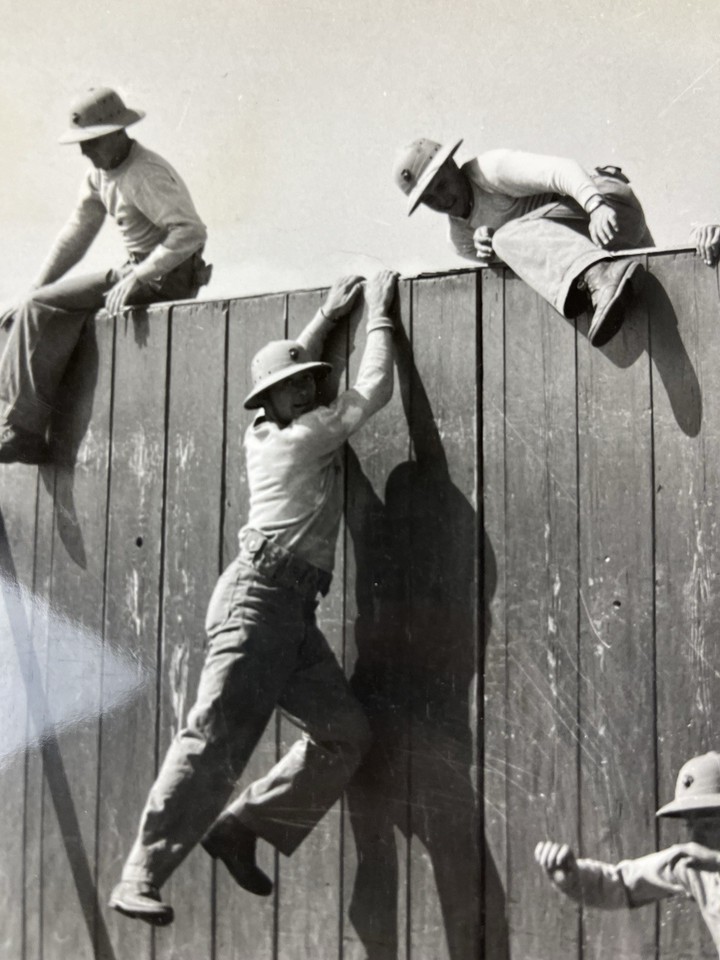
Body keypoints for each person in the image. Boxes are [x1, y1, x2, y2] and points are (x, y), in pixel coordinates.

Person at [109, 269, 399, 925]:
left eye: (308, 379)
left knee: (345, 734)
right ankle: (142, 874)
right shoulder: (301, 437)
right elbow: (374, 387)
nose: (308, 387)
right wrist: (380, 313)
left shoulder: (266, 429)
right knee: (214, 741)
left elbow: (288, 368)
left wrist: (325, 317)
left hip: (290, 612)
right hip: (258, 601)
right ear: (273, 402)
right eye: (293, 386)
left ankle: (241, 827)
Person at [0, 86, 210, 464]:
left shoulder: (145, 173)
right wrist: (35, 287)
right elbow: (78, 232)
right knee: (34, 305)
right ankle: (19, 428)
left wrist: (141, 275)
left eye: (91, 142)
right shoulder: (100, 173)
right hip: (139, 268)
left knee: (46, 311)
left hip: (168, 273)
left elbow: (191, 231)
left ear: (117, 132)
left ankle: (22, 428)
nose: (84, 151)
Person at [393, 138, 654, 348]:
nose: (441, 200)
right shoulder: (459, 238)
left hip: (608, 207)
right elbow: (531, 262)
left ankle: (601, 275)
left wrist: (595, 205)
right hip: (609, 249)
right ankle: (602, 278)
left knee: (505, 237)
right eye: (428, 199)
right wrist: (492, 253)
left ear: (451, 164)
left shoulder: (488, 170)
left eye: (441, 185)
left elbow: (561, 170)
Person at [535, 751, 720, 956]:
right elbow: (621, 884)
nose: (695, 836)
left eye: (707, 824)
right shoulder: (691, 864)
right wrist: (572, 876)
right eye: (689, 824)